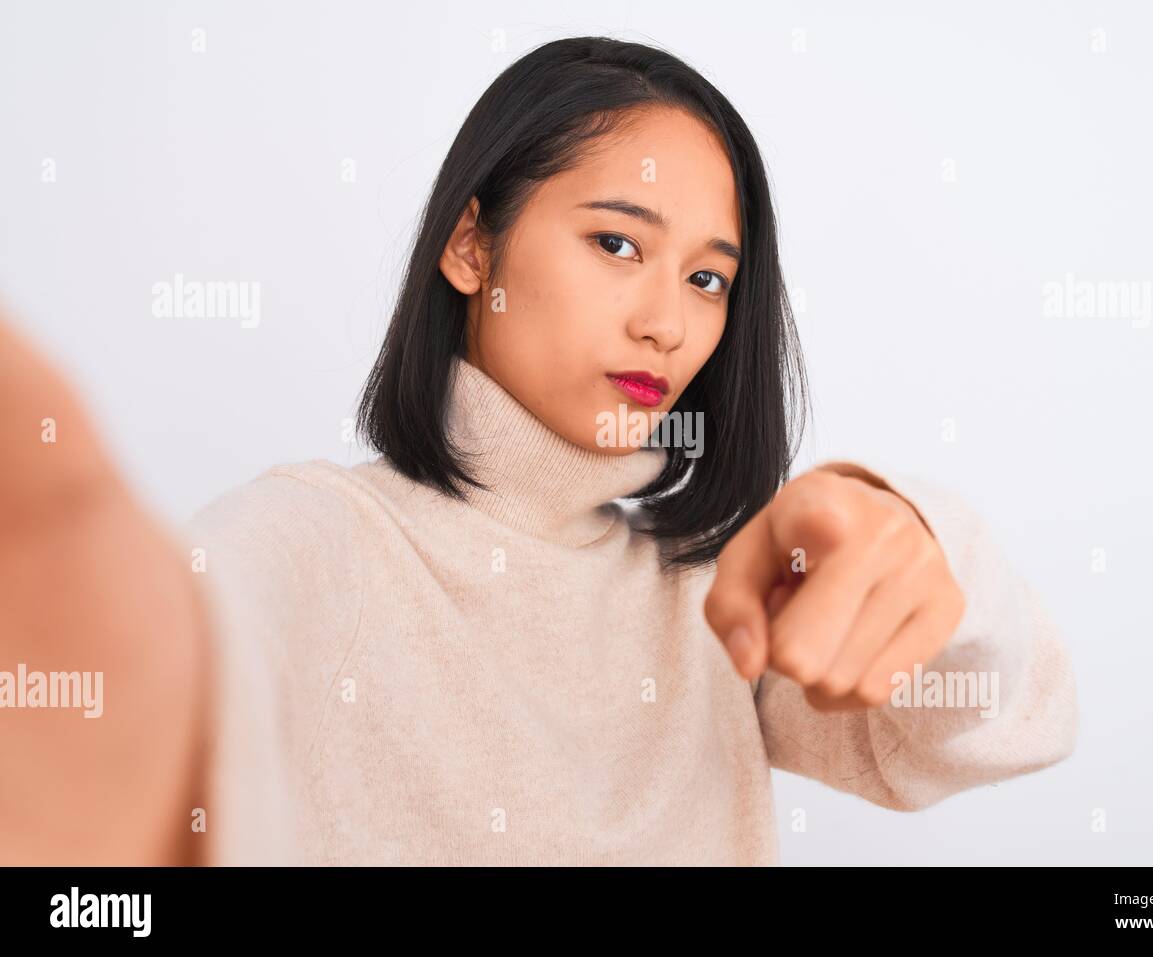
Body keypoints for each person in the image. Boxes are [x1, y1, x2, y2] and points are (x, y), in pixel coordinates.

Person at [0, 36, 1078, 866]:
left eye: (707, 278)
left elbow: (1006, 728)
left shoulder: (718, 593)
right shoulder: (300, 541)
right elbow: (123, 743)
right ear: (472, 246)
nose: (668, 321)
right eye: (616, 243)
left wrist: (921, 543)